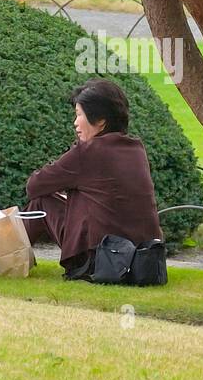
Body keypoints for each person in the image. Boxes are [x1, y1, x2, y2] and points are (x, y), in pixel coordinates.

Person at [23, 78, 164, 276]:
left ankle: (9, 261)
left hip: (104, 260)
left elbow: (34, 186)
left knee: (40, 201)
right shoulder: (136, 148)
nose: (75, 123)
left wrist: (76, 151)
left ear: (100, 121)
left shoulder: (89, 152)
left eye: (79, 115)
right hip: (145, 257)